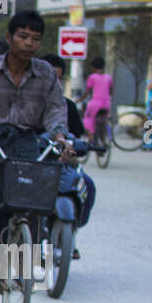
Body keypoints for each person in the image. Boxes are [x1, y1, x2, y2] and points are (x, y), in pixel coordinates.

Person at [0, 9, 69, 301]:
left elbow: (56, 110)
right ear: (9, 37)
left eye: (35, 39)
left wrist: (59, 138)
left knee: (30, 205)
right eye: (23, 36)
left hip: (28, 144)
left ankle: (16, 262)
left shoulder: (45, 74)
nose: (29, 43)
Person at [41, 53, 96, 260]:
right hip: (36, 164)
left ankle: (71, 232)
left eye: (58, 77)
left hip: (63, 165)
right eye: (49, 77)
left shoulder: (68, 106)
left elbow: (77, 139)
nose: (54, 82)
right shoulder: (28, 104)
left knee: (87, 185)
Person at [81, 55, 113, 138]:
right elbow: (111, 92)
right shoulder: (109, 77)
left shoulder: (92, 77)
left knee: (87, 119)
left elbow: (87, 92)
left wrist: (80, 99)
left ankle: (91, 137)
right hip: (106, 104)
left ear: (94, 67)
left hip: (95, 104)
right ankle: (103, 137)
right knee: (103, 119)